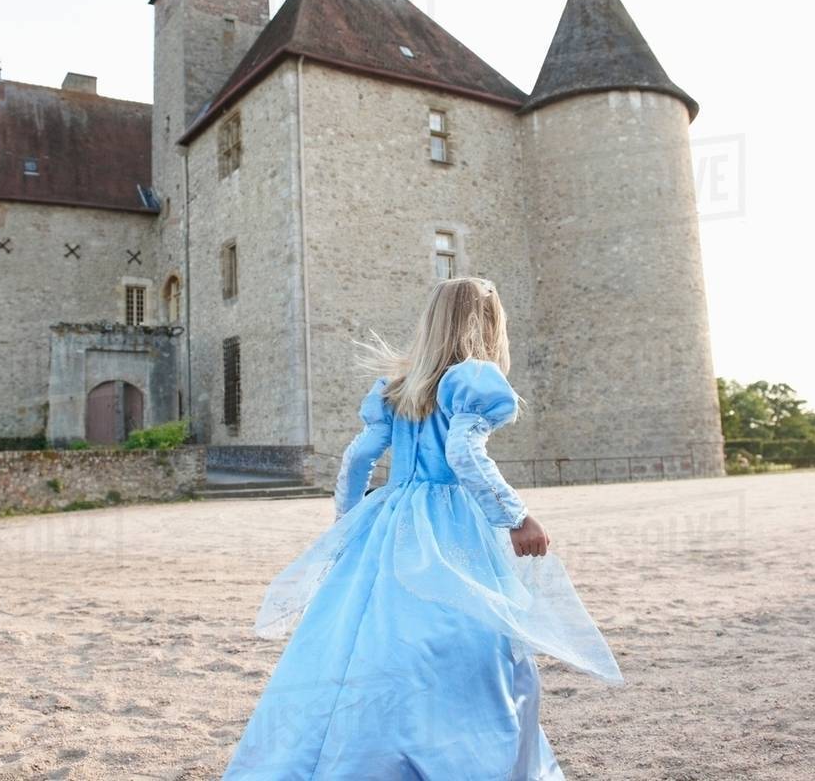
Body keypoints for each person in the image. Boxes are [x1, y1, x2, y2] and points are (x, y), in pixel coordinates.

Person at [221, 277, 623, 780]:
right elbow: (463, 455)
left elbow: (358, 458)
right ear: (486, 322)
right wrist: (517, 517)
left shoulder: (399, 385)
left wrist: (347, 525)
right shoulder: (473, 378)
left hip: (390, 517)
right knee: (468, 638)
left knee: (370, 641)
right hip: (450, 522)